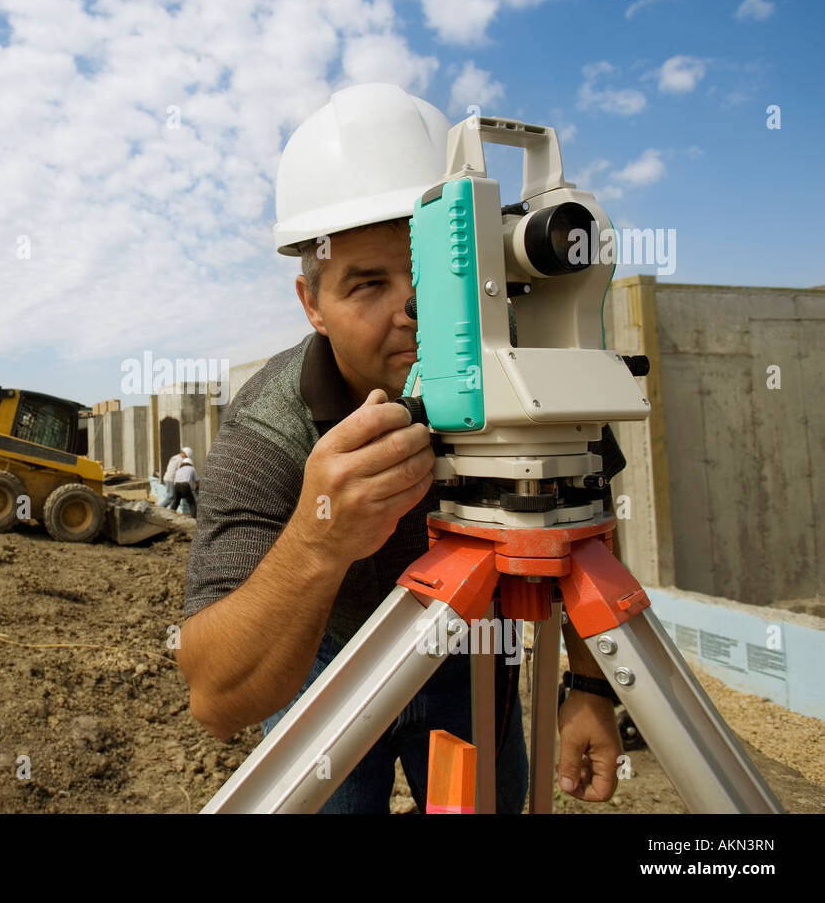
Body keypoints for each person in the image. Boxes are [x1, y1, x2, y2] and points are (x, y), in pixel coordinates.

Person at [177, 83, 622, 814]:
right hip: (332, 660)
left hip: (476, 662)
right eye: (368, 284)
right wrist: (318, 541)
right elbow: (216, 699)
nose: (415, 312)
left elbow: (589, 529)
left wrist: (591, 686)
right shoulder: (270, 428)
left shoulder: (532, 387)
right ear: (311, 303)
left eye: (432, 276)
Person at [170, 453, 199, 518]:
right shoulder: (192, 468)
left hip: (176, 486)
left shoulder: (178, 470)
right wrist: (198, 487)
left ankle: (170, 515)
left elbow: (175, 481)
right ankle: (194, 519)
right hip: (185, 485)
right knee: (192, 503)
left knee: (176, 502)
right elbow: (197, 480)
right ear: (190, 463)